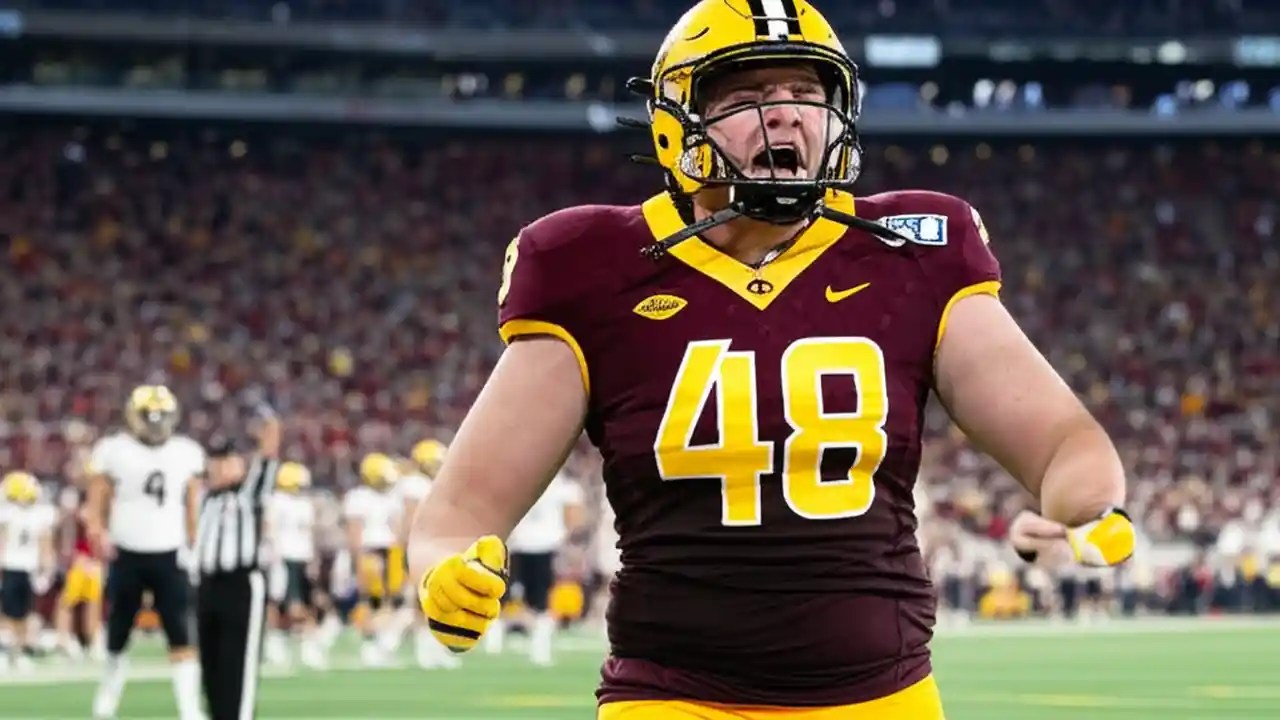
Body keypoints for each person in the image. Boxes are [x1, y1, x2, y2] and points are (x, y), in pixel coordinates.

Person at [408, 1, 1136, 718]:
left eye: (806, 94)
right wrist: (446, 570)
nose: (786, 114)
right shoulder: (591, 265)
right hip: (676, 699)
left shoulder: (912, 249)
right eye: (749, 96)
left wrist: (1082, 507)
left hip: (884, 697)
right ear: (675, 124)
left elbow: (1064, 444)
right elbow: (461, 511)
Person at [86, 384, 205, 720]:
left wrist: (194, 545)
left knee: (181, 633)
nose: (155, 423)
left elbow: (192, 506)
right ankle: (106, 704)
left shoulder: (185, 451)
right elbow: (96, 500)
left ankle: (189, 709)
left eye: (161, 416)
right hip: (127, 550)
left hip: (171, 550)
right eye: (149, 416)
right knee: (118, 632)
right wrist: (98, 532)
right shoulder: (115, 450)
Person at [193, 410, 281, 720]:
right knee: (210, 665)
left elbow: (270, 451)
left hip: (240, 583)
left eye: (227, 459)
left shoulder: (249, 493)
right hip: (206, 584)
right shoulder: (204, 497)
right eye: (215, 460)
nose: (219, 466)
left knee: (237, 664)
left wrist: (266, 419)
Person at [484, 468, 584, 665]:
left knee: (513, 597)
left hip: (525, 544)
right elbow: (574, 520)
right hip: (541, 544)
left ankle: (498, 644)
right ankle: (537, 648)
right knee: (538, 602)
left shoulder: (523, 481)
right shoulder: (563, 486)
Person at [263, 461, 326, 669]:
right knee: (284, 604)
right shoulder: (276, 501)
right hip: (283, 557)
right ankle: (275, 643)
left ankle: (306, 646)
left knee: (307, 603)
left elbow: (309, 533)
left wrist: (313, 558)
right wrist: (273, 557)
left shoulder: (304, 504)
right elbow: (269, 531)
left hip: (302, 557)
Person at [343, 452, 402, 666]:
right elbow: (354, 532)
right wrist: (358, 558)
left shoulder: (391, 497)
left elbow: (396, 528)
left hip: (389, 550)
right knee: (369, 599)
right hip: (369, 550)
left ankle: (381, 644)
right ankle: (369, 644)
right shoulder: (358, 497)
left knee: (388, 599)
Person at [0, 471, 57, 672]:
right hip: (11, 565)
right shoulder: (8, 514)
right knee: (10, 613)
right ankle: (9, 652)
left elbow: (45, 545)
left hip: (27, 567)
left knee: (24, 612)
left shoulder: (38, 516)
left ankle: (20, 651)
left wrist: (47, 569)